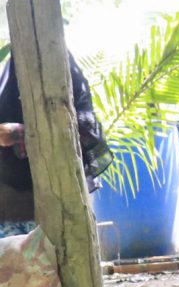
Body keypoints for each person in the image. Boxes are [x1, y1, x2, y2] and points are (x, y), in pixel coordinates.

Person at [0, 54, 110, 236]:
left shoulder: (62, 74)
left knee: (56, 262)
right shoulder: (9, 77)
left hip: (57, 204)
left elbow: (80, 129)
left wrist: (18, 134)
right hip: (9, 206)